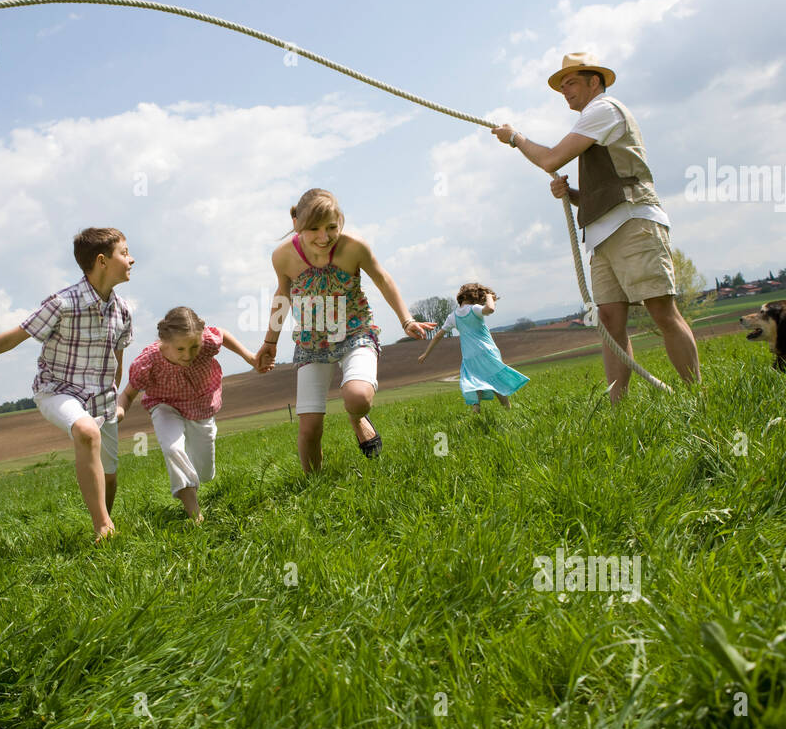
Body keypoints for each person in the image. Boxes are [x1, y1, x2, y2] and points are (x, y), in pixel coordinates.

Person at [492, 52, 700, 403]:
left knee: (662, 310)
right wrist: (573, 194)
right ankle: (618, 408)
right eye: (561, 86)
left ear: (595, 82)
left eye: (571, 82)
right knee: (609, 321)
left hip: (633, 221)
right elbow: (601, 188)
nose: (564, 91)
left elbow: (551, 159)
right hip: (603, 233)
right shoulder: (591, 120)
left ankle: (699, 398)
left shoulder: (604, 109)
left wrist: (516, 138)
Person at [0, 228, 133, 541]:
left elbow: (116, 364)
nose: (131, 259)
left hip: (102, 401)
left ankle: (104, 526)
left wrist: (114, 404)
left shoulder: (122, 311)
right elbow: (12, 339)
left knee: (109, 474)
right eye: (124, 252)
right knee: (85, 431)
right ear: (102, 261)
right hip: (57, 392)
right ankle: (103, 527)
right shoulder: (63, 304)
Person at [254, 188, 436, 472]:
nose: (324, 238)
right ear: (296, 223)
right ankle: (314, 488)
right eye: (313, 229)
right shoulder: (283, 256)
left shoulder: (354, 248)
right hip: (311, 343)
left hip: (355, 332)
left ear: (341, 221)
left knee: (358, 397)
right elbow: (282, 296)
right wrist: (270, 342)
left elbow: (383, 279)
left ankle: (356, 417)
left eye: (331, 227)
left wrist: (406, 320)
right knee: (310, 428)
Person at [117, 307, 259, 523]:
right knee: (172, 448)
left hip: (201, 405)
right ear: (164, 341)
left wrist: (250, 357)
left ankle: (194, 478)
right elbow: (127, 394)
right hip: (165, 406)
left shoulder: (207, 342)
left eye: (194, 347)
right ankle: (195, 514)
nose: (188, 355)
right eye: (180, 349)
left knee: (204, 473)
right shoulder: (148, 362)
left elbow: (223, 333)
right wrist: (120, 410)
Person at [417, 283, 528, 412]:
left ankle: (476, 408)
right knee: (495, 380)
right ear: (475, 297)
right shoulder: (474, 309)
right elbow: (490, 309)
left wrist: (426, 353)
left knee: (475, 382)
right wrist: (489, 296)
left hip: (470, 356)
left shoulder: (452, 317)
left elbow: (437, 336)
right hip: (487, 351)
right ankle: (508, 410)